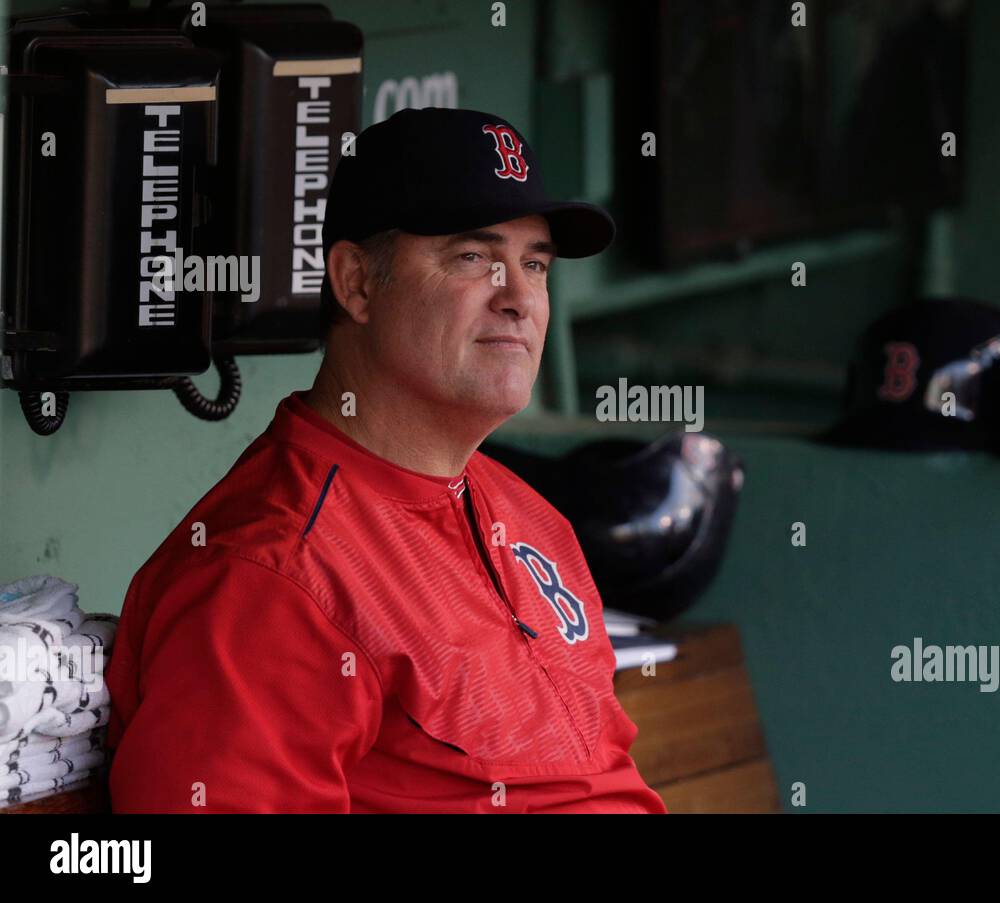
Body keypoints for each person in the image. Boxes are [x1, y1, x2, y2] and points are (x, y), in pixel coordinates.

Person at [105, 107, 667, 814]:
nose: (520, 298)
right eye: (473, 257)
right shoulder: (271, 573)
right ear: (357, 284)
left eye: (535, 265)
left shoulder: (533, 519)